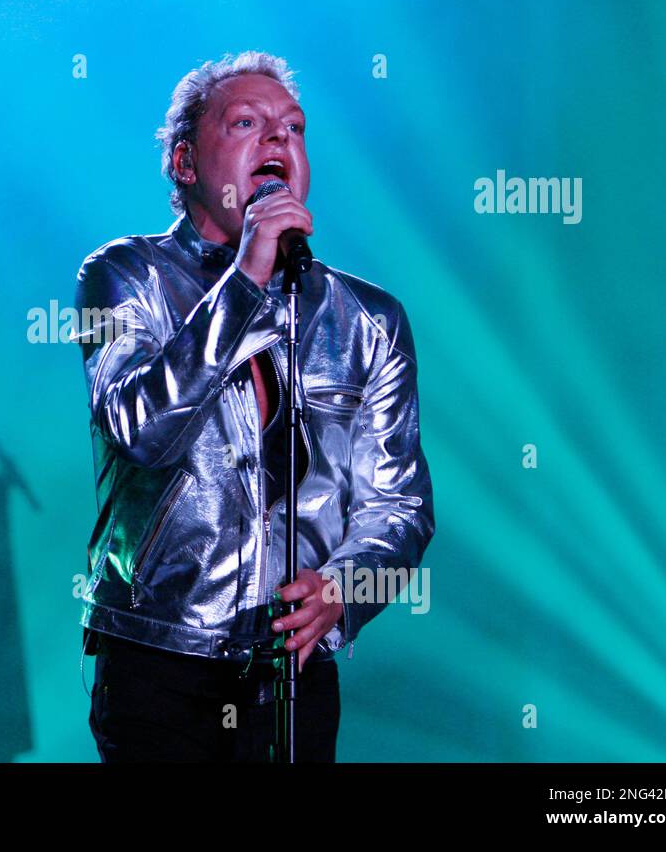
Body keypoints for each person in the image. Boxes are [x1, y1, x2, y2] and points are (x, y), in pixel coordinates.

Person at [73, 50, 435, 762]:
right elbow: (142, 430)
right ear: (184, 163)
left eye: (293, 129)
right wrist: (247, 280)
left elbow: (401, 507)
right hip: (159, 661)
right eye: (247, 122)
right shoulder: (122, 277)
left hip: (293, 669)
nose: (278, 140)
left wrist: (343, 590)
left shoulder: (368, 319)